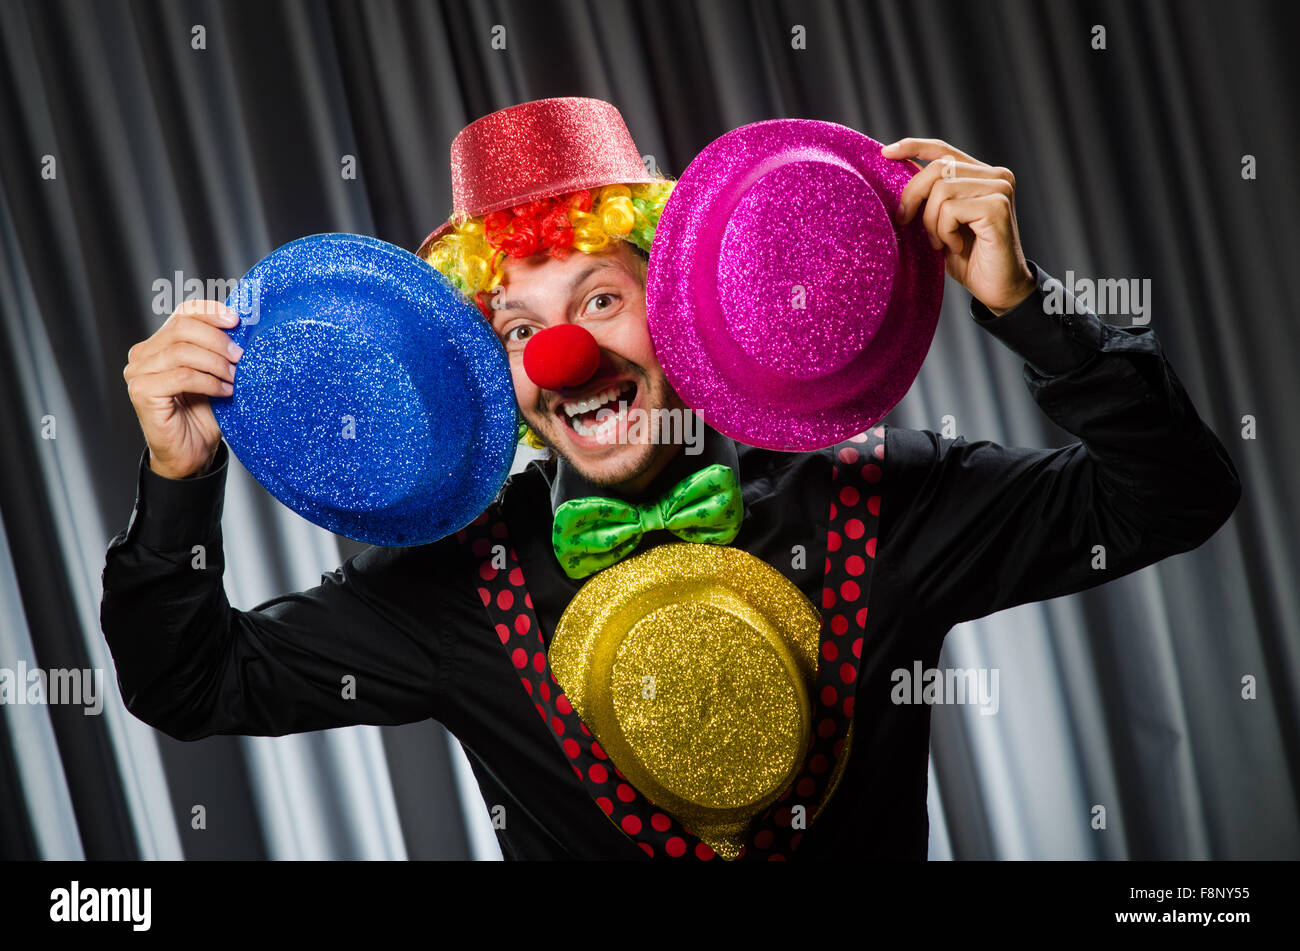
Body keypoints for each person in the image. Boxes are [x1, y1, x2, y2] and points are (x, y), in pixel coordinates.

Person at [103, 99, 1241, 860]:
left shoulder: (870, 497)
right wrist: (179, 477)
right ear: (492, 375)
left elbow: (1172, 496)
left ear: (680, 302)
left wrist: (1024, 310)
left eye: (600, 300)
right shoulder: (456, 591)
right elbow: (190, 684)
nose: (566, 357)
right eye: (519, 327)